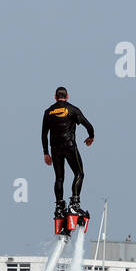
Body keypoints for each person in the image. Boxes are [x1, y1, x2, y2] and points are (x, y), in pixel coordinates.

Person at [41, 86, 95, 218]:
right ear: (67, 96)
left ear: (55, 97)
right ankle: (74, 204)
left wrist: (46, 153)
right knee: (79, 173)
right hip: (69, 146)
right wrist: (90, 137)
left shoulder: (48, 112)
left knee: (59, 178)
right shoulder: (73, 110)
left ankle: (59, 207)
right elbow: (89, 126)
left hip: (55, 149)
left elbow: (43, 134)